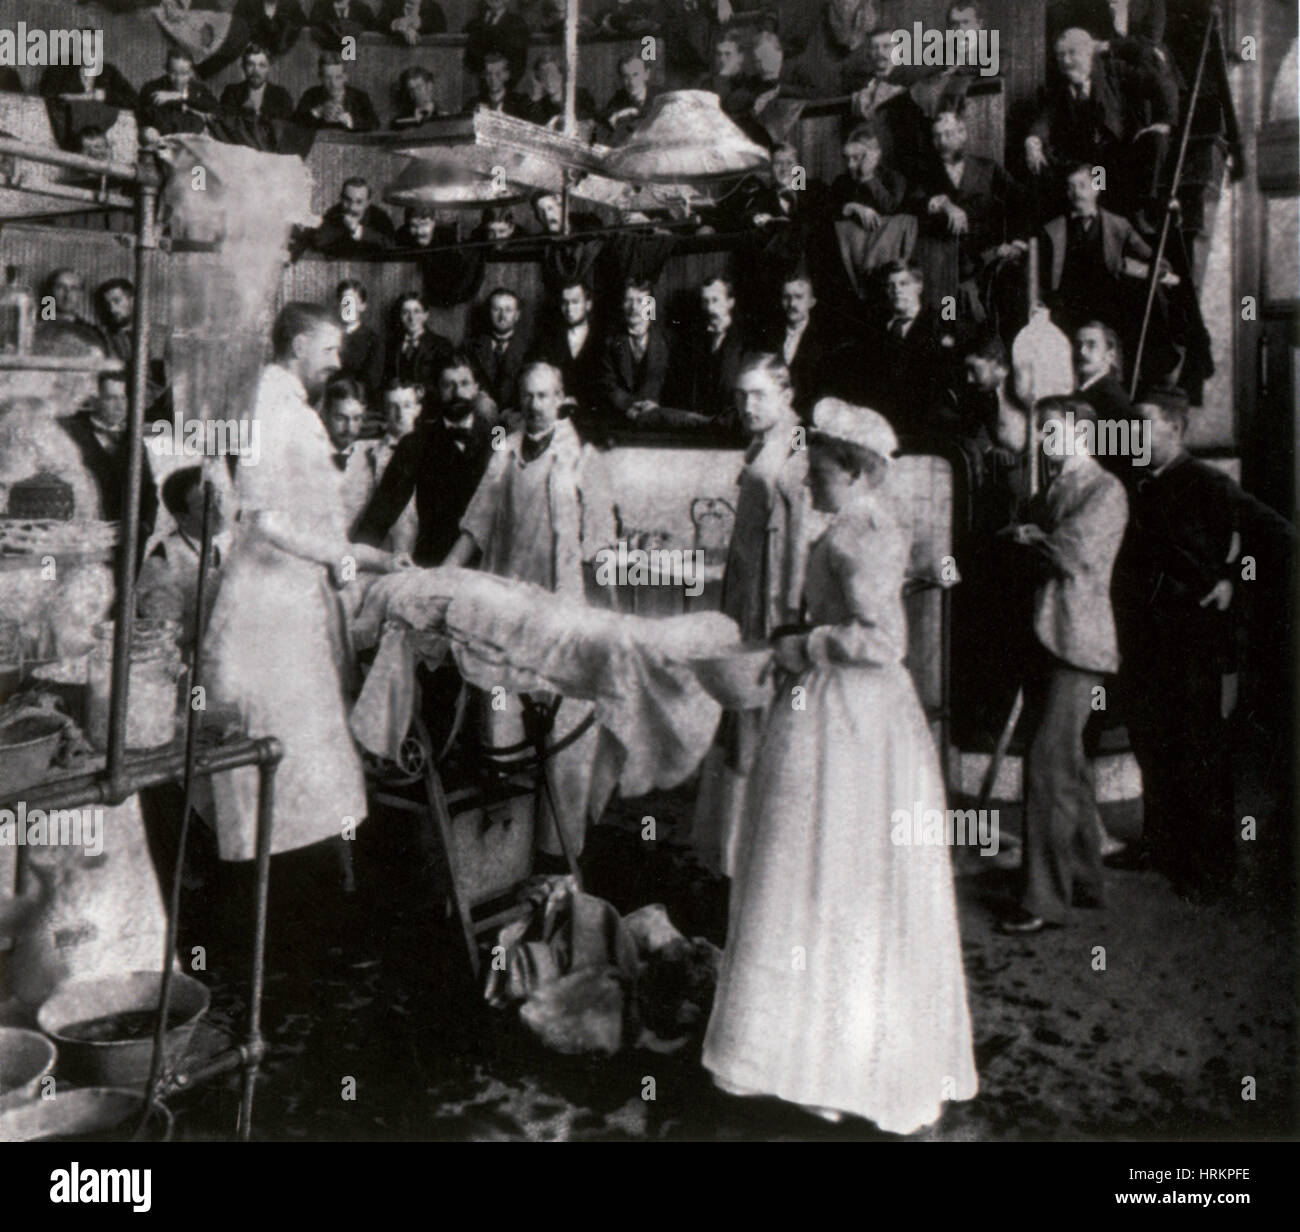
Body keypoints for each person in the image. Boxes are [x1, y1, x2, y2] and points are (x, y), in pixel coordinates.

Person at [703, 398, 978, 1133]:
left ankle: (840, 1061)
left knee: (832, 869)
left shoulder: (862, 537)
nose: (810, 478)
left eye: (820, 467)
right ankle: (818, 1059)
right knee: (818, 871)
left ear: (853, 470)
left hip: (852, 717)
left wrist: (805, 648)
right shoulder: (856, 525)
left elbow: (885, 641)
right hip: (847, 710)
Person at [203, 303, 408, 864]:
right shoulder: (271, 406)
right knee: (278, 770)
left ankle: (308, 902)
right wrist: (356, 555)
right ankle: (274, 914)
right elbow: (265, 519)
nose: (336, 362)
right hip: (265, 615)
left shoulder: (290, 406)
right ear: (296, 347)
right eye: (328, 350)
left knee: (309, 772)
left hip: (291, 606)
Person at [446, 362, 615, 862]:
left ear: (562, 399)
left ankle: (560, 854)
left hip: (563, 614)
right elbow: (477, 524)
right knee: (502, 727)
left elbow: (600, 546)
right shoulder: (505, 451)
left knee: (564, 736)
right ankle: (505, 857)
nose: (537, 405)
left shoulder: (583, 458)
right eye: (528, 396)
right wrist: (444, 574)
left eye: (545, 395)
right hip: (507, 610)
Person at [998, 397, 1128, 933]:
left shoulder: (1105, 490)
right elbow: (1022, 541)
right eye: (1041, 430)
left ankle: (1043, 902)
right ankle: (1084, 881)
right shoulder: (1049, 491)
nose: (1044, 440)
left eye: (1052, 431)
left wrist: (1028, 537)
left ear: (1082, 434)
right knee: (1066, 764)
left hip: (1079, 644)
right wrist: (1027, 537)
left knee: (1048, 765)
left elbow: (1070, 554)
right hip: (1046, 638)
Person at [1112, 385, 1244, 901]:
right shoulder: (1136, 484)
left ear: (1176, 428)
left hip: (1190, 645)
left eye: (1143, 425)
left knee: (1198, 753)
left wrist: (1232, 578)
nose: (1133, 435)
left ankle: (1212, 867)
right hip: (1143, 642)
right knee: (1151, 746)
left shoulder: (1210, 485)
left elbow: (1243, 552)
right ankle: (1160, 845)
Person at [691, 354, 809, 878]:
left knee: (760, 719)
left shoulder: (797, 445)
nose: (747, 405)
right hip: (747, 591)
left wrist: (786, 614)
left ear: (786, 394)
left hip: (772, 600)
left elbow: (801, 536)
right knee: (741, 717)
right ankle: (732, 855)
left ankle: (756, 858)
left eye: (759, 394)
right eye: (741, 395)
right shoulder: (763, 441)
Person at [355, 353, 498, 565]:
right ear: (437, 390)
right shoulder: (415, 443)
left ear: (477, 387)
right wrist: (348, 570)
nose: (457, 392)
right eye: (448, 385)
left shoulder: (498, 436)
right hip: (433, 564)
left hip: (489, 565)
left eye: (464, 383)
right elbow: (378, 518)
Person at [1027, 25, 1176, 226]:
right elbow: (1045, 118)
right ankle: (1103, 221)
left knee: (1156, 141)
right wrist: (1033, 140)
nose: (1066, 61)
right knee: (1083, 179)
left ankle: (1143, 211)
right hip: (1098, 166)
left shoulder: (1113, 71)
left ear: (1090, 53)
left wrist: (1164, 122)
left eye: (1072, 53)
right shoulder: (1059, 89)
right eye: (1060, 55)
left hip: (1126, 154)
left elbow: (1160, 83)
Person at [59, 371, 159, 539]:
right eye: (111, 398)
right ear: (93, 401)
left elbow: (148, 488)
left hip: (126, 540)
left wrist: (145, 527)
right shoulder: (71, 433)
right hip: (83, 536)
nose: (120, 406)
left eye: (124, 398)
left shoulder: (132, 439)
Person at [136, 466, 225, 654]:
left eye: (218, 499)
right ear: (181, 518)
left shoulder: (223, 547)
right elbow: (166, 632)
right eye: (204, 507)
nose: (218, 510)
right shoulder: (163, 559)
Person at [759, 275, 838, 418]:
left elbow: (826, 391)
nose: (792, 303)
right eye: (786, 297)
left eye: (799, 297)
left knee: (798, 441)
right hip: (771, 418)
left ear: (811, 302)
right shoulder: (768, 337)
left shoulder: (825, 341)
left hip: (804, 421)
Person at [595, 279, 671, 427]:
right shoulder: (610, 341)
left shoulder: (667, 340)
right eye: (628, 300)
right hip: (621, 418)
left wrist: (655, 407)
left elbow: (673, 382)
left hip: (662, 420)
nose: (634, 308)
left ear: (650, 305)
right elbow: (607, 383)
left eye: (640, 301)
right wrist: (628, 406)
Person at [671, 277, 746, 424]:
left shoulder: (744, 340)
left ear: (730, 302)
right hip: (698, 423)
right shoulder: (693, 340)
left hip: (731, 425)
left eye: (715, 300)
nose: (710, 308)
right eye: (705, 301)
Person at [530, 280, 600, 412]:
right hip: (556, 411)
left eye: (575, 302)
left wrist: (579, 401)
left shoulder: (602, 339)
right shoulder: (548, 339)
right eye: (565, 302)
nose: (569, 309)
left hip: (593, 413)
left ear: (588, 305)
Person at [384, 292, 455, 405]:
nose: (412, 318)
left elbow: (446, 383)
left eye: (417, 311)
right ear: (400, 316)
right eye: (405, 312)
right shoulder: (391, 345)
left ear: (425, 315)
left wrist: (423, 391)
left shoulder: (441, 344)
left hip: (429, 406)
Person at [467, 287, 529, 413]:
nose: (502, 316)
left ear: (517, 315)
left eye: (508, 310)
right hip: (483, 417)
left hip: (517, 415)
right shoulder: (471, 347)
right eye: (496, 309)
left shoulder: (531, 348)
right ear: (488, 313)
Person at [139, 48, 221, 138]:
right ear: (166, 69)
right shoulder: (152, 89)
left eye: (184, 73)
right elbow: (154, 122)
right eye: (173, 73)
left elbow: (215, 107)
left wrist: (182, 96)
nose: (178, 79)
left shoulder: (198, 89)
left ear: (191, 72)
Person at [294, 51, 380, 131]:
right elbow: (293, 124)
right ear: (320, 77)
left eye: (338, 77)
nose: (333, 83)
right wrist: (317, 112)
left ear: (345, 77)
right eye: (327, 77)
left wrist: (349, 120)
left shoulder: (359, 97)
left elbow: (375, 124)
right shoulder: (310, 95)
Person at [336, 279, 386, 415]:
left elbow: (371, 382)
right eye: (344, 301)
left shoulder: (373, 340)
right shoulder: (328, 335)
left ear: (363, 306)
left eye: (352, 302)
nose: (347, 306)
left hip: (358, 408)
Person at [310, 177, 395, 256]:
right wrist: (343, 229)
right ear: (341, 198)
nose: (352, 207)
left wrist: (358, 230)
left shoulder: (380, 217)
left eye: (359, 202)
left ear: (368, 202)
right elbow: (319, 242)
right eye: (347, 200)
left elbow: (390, 245)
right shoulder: (334, 213)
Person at [220, 43, 295, 122]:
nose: (256, 70)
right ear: (243, 67)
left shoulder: (281, 95)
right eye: (250, 64)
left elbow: (286, 126)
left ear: (269, 68)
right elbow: (226, 122)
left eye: (262, 65)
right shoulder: (231, 92)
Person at [525, 49, 598, 130]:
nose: (548, 80)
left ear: (561, 74)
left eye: (552, 74)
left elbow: (592, 122)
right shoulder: (540, 106)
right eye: (543, 76)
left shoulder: (581, 95)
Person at [464, 0, 532, 85]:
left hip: (507, 87)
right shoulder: (473, 24)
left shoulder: (517, 24)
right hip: (478, 85)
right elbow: (469, 60)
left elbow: (519, 62)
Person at [600, 54, 657, 144]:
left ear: (646, 75)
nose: (631, 82)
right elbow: (606, 119)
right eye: (625, 76)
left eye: (635, 75)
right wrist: (617, 115)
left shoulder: (659, 95)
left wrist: (633, 112)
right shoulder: (618, 98)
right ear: (620, 79)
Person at [466, 50, 532, 117]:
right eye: (488, 74)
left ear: (507, 75)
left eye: (498, 74)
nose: (493, 79)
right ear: (484, 76)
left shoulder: (521, 103)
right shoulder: (473, 103)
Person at [94, 278, 136, 365]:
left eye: (117, 301)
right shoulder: (103, 337)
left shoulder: (159, 335)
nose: (112, 309)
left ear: (132, 301)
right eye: (107, 304)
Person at [379, 0, 448, 43]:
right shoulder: (392, 4)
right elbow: (379, 23)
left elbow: (441, 27)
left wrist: (418, 23)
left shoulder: (433, 8)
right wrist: (398, 24)